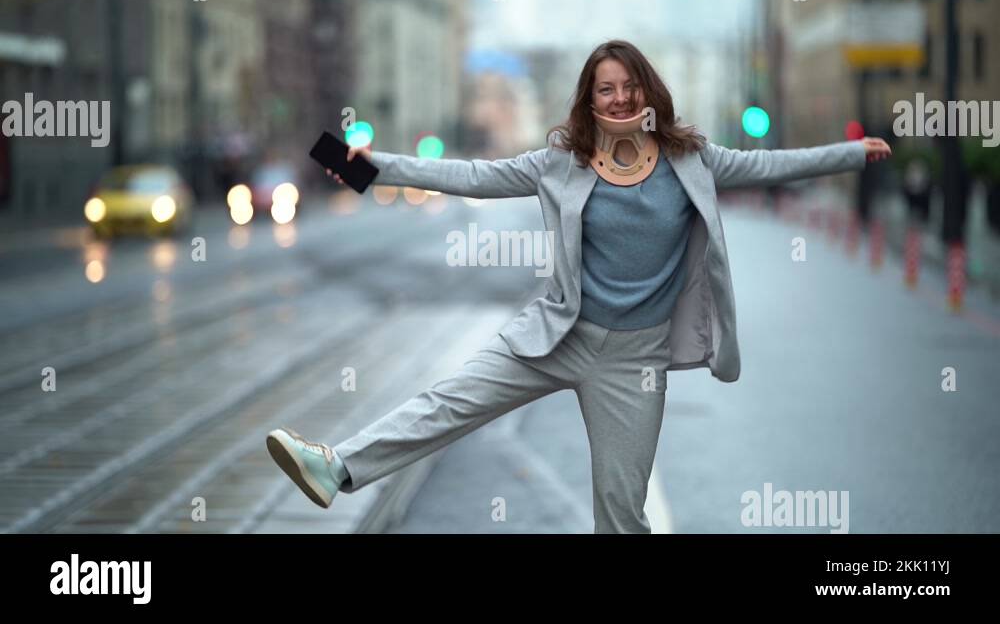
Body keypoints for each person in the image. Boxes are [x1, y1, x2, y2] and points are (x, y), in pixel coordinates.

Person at [265, 39, 892, 533]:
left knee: (622, 516)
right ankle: (336, 467)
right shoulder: (560, 162)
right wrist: (366, 167)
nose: (619, 98)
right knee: (448, 401)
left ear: (648, 89)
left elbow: (770, 165)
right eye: (605, 89)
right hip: (557, 334)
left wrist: (850, 153)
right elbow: (471, 176)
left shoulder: (691, 158)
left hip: (635, 363)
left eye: (628, 86)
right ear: (589, 100)